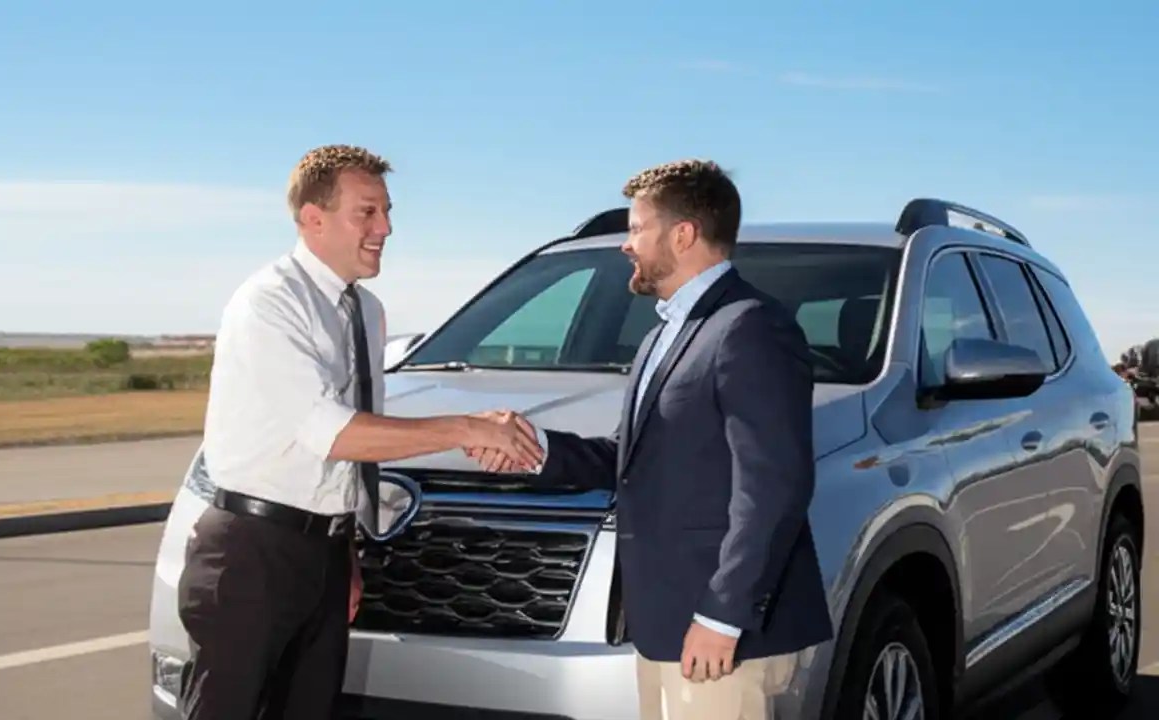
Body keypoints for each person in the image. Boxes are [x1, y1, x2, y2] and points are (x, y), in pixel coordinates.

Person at [176, 144, 543, 720]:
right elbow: (333, 433)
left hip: (321, 554)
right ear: (312, 218)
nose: (386, 228)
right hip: (251, 553)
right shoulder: (270, 304)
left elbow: (349, 456)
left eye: (388, 211)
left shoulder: (365, 311)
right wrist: (469, 428)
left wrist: (343, 552)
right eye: (366, 212)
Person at [470, 159, 832, 719]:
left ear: (682, 234)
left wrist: (722, 616)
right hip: (666, 627)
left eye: (638, 228)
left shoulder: (750, 327)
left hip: (719, 636)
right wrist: (536, 446)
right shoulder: (665, 335)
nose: (626, 245)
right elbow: (632, 460)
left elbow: (774, 486)